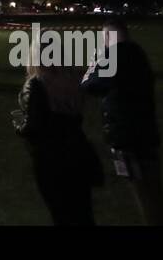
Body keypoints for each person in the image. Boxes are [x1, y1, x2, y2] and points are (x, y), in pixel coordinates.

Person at [81, 18, 163, 226]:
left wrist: (92, 67)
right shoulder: (138, 52)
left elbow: (89, 86)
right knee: (155, 188)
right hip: (146, 129)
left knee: (142, 190)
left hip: (125, 135)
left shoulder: (114, 55)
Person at [14, 61, 103, 224]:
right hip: (77, 149)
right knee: (84, 213)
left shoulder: (37, 83)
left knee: (61, 213)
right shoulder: (74, 78)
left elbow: (34, 125)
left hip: (51, 157)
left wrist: (19, 125)